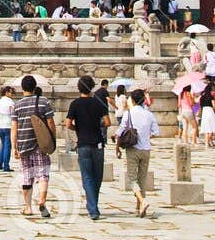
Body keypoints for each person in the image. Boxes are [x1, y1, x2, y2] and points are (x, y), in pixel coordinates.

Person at [66, 76, 109, 220]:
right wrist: (97, 125)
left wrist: (77, 128)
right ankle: (93, 206)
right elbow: (107, 122)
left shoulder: (75, 104)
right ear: (92, 87)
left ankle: (93, 208)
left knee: (87, 176)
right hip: (98, 143)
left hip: (83, 143)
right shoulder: (98, 103)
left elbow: (67, 124)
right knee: (97, 176)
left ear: (79, 88)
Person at [12, 74, 54, 218]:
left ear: (22, 88)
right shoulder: (43, 102)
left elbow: (14, 128)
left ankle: (28, 207)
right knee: (42, 174)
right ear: (35, 87)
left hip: (23, 144)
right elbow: (50, 123)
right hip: (40, 144)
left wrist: (14, 147)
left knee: (26, 176)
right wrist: (52, 140)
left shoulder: (16, 105)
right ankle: (42, 200)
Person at [116, 86, 160, 217]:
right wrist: (145, 136)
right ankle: (139, 207)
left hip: (133, 149)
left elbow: (120, 132)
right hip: (146, 150)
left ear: (133, 101)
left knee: (132, 179)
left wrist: (117, 148)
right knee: (142, 179)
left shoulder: (128, 114)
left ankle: (142, 201)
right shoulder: (149, 114)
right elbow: (156, 133)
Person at [0, 86, 16, 171]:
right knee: (7, 146)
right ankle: (6, 166)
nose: (12, 94)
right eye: (10, 92)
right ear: (6, 92)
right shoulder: (10, 102)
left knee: (3, 145)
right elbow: (12, 114)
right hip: (8, 125)